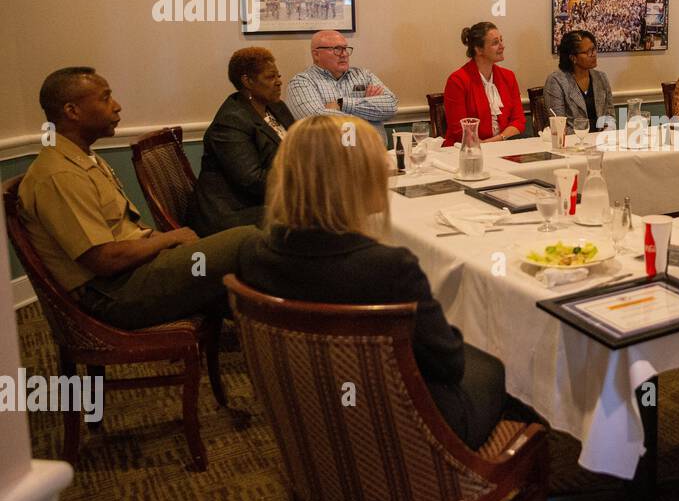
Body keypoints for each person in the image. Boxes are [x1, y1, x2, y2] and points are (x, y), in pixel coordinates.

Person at [236, 115, 518, 450]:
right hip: (406, 431)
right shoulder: (389, 268)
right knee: (498, 370)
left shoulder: (253, 253)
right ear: (351, 180)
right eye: (376, 164)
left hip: (311, 413)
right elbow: (448, 364)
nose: (385, 170)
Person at [17, 68, 255, 329]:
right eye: (105, 98)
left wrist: (167, 244)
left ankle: (273, 333)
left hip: (135, 274)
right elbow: (105, 260)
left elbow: (125, 232)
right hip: (114, 295)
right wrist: (171, 238)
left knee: (231, 260)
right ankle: (288, 327)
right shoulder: (59, 174)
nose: (117, 107)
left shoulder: (83, 159)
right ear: (72, 111)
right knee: (245, 240)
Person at [189, 48, 295, 236]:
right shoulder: (231, 121)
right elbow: (253, 181)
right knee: (312, 214)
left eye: (278, 76)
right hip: (234, 212)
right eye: (270, 77)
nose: (279, 82)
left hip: (266, 202)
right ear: (247, 81)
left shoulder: (276, 107)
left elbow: (299, 145)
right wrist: (302, 183)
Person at [284, 30, 396, 139]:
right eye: (337, 49)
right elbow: (316, 122)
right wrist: (368, 112)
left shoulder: (364, 75)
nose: (344, 54)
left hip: (375, 154)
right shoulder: (301, 83)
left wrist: (341, 103)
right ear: (316, 54)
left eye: (345, 48)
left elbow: (391, 106)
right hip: (330, 157)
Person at [442, 22, 525, 146]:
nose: (502, 46)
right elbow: (459, 130)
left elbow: (518, 120)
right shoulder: (457, 80)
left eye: (501, 40)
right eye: (495, 43)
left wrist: (493, 141)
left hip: (502, 146)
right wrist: (484, 145)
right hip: (465, 149)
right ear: (479, 49)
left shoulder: (508, 77)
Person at [544, 29, 614, 127]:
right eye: (588, 52)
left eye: (593, 49)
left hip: (601, 139)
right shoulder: (556, 81)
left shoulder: (601, 77)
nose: (593, 54)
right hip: (572, 140)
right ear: (573, 58)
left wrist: (605, 134)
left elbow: (610, 115)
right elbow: (559, 125)